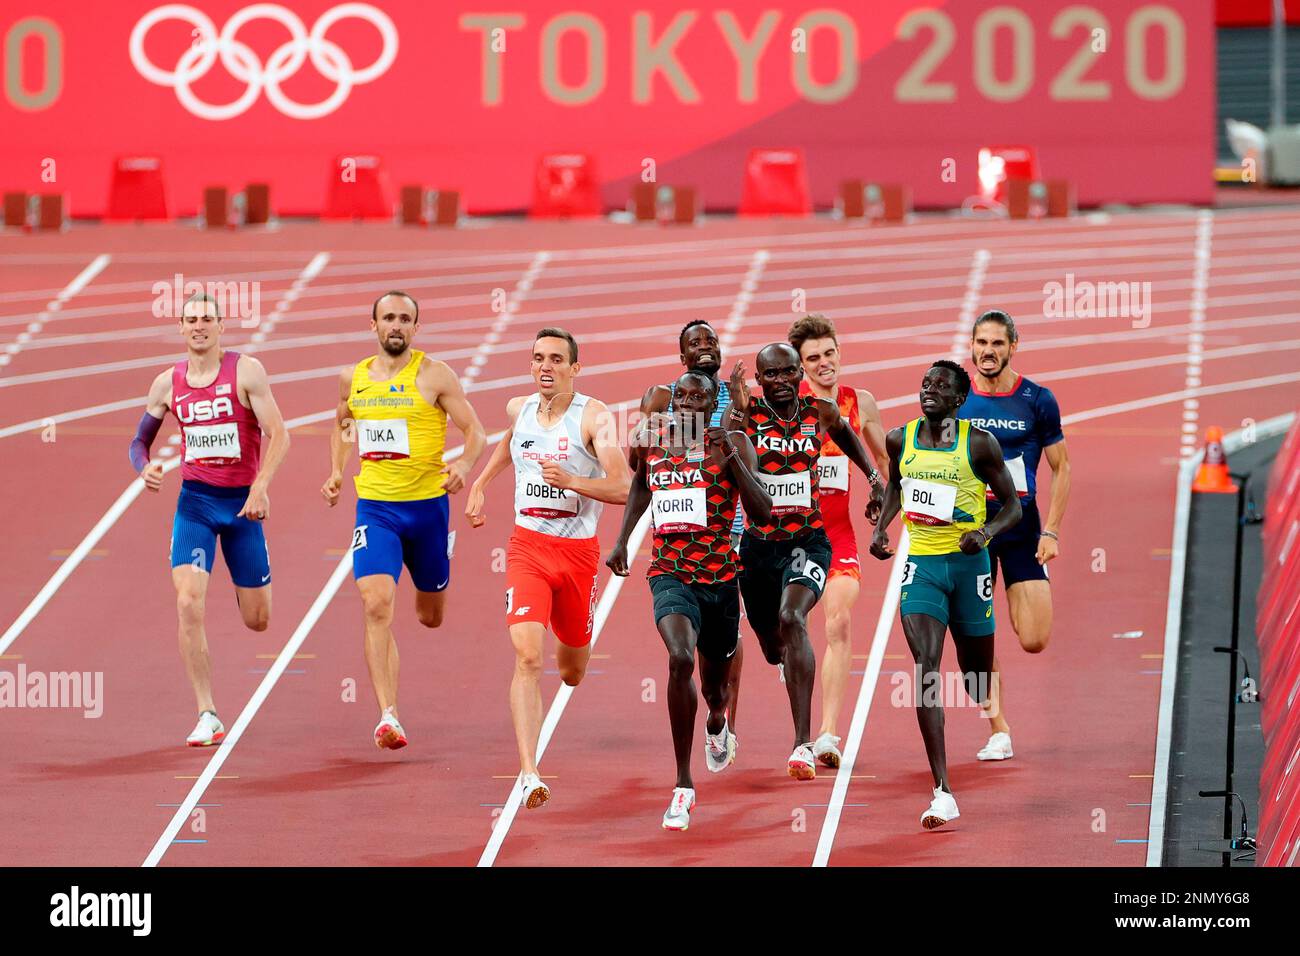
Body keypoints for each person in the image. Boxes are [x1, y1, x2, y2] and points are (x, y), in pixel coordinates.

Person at [465, 328, 630, 809]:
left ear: (575, 369)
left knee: (573, 669)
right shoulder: (519, 410)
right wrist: (480, 484)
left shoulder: (594, 418)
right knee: (527, 657)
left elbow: (622, 487)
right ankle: (528, 772)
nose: (546, 366)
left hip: (578, 557)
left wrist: (574, 480)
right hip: (528, 550)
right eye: (539, 357)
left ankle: (573, 644)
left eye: (557, 359)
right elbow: (509, 443)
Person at [321, 291, 486, 750]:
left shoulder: (435, 375)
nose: (396, 325)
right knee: (375, 603)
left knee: (429, 615)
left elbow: (476, 431)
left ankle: (432, 580)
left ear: (416, 328)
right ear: (372, 325)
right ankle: (388, 715)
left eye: (405, 319)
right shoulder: (351, 378)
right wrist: (337, 470)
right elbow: (343, 423)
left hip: (428, 508)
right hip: (375, 508)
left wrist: (464, 467)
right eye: (388, 317)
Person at [608, 371, 771, 830]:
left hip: (720, 579)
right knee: (680, 657)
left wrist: (735, 458)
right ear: (673, 400)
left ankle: (717, 721)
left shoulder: (732, 441)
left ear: (711, 404)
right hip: (670, 573)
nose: (689, 404)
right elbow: (642, 483)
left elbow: (761, 510)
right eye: (682, 396)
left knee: (714, 688)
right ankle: (683, 783)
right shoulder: (652, 437)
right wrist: (622, 539)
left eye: (700, 398)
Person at [130, 292, 289, 746]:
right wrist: (144, 467)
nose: (199, 326)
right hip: (195, 505)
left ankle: (247, 583)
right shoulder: (167, 383)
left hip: (242, 506)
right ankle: (207, 712)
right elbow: (138, 442)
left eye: (207, 319)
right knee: (187, 602)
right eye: (191, 319)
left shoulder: (246, 372)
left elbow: (280, 433)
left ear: (221, 326)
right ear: (181, 328)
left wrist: (260, 486)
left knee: (258, 621)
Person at [869, 360, 1022, 828]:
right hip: (923, 566)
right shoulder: (901, 439)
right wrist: (881, 527)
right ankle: (942, 789)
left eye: (941, 386)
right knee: (926, 668)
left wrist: (987, 533)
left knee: (976, 675)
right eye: (925, 384)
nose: (930, 391)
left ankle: (993, 718)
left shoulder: (979, 444)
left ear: (959, 399)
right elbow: (897, 483)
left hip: (970, 566)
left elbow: (1013, 506)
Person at [726, 343, 880, 779]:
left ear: (799, 374)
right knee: (772, 645)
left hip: (808, 542)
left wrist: (873, 479)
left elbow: (848, 434)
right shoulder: (748, 414)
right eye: (769, 374)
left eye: (787, 372)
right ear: (759, 379)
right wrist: (737, 413)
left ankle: (802, 744)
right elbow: (726, 446)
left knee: (794, 617)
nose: (779, 381)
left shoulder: (820, 410)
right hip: (758, 549)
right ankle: (785, 661)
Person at [958, 310, 1070, 761]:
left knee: (1034, 639)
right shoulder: (957, 399)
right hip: (972, 534)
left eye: (997, 344)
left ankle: (1015, 594)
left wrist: (1053, 531)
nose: (988, 351)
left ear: (1013, 346)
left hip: (1022, 529)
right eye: (981, 343)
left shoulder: (1038, 400)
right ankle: (998, 728)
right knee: (976, 637)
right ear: (972, 346)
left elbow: (1062, 467)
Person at [634, 319, 748, 740]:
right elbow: (640, 467)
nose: (704, 346)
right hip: (678, 538)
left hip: (731, 529)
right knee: (686, 645)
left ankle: (722, 715)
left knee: (728, 637)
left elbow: (746, 454)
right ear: (681, 357)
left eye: (711, 340)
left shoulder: (734, 396)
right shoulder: (665, 397)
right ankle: (715, 710)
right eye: (694, 343)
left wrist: (740, 410)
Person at [787, 314, 886, 768]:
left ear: (839, 352)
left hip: (838, 534)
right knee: (784, 633)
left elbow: (886, 465)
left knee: (839, 620)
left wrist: (883, 511)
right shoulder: (787, 403)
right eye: (813, 358)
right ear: (800, 364)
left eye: (829, 353)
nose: (824, 363)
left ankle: (827, 733)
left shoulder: (858, 402)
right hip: (790, 537)